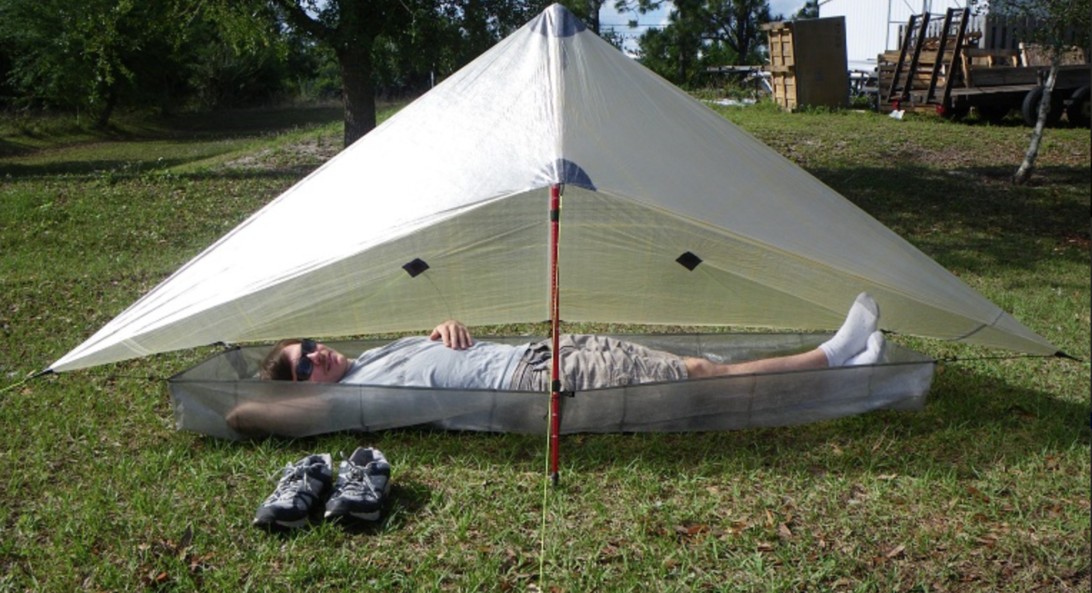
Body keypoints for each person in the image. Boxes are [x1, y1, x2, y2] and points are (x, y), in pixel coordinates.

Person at [259, 293, 886, 392]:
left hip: (539, 350)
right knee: (695, 375)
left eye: (308, 344)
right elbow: (247, 410)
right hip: (539, 383)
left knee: (694, 362)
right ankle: (833, 358)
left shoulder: (369, 361)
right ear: (302, 395)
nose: (317, 353)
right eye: (302, 365)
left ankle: (847, 362)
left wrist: (446, 330)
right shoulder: (351, 399)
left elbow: (443, 351)